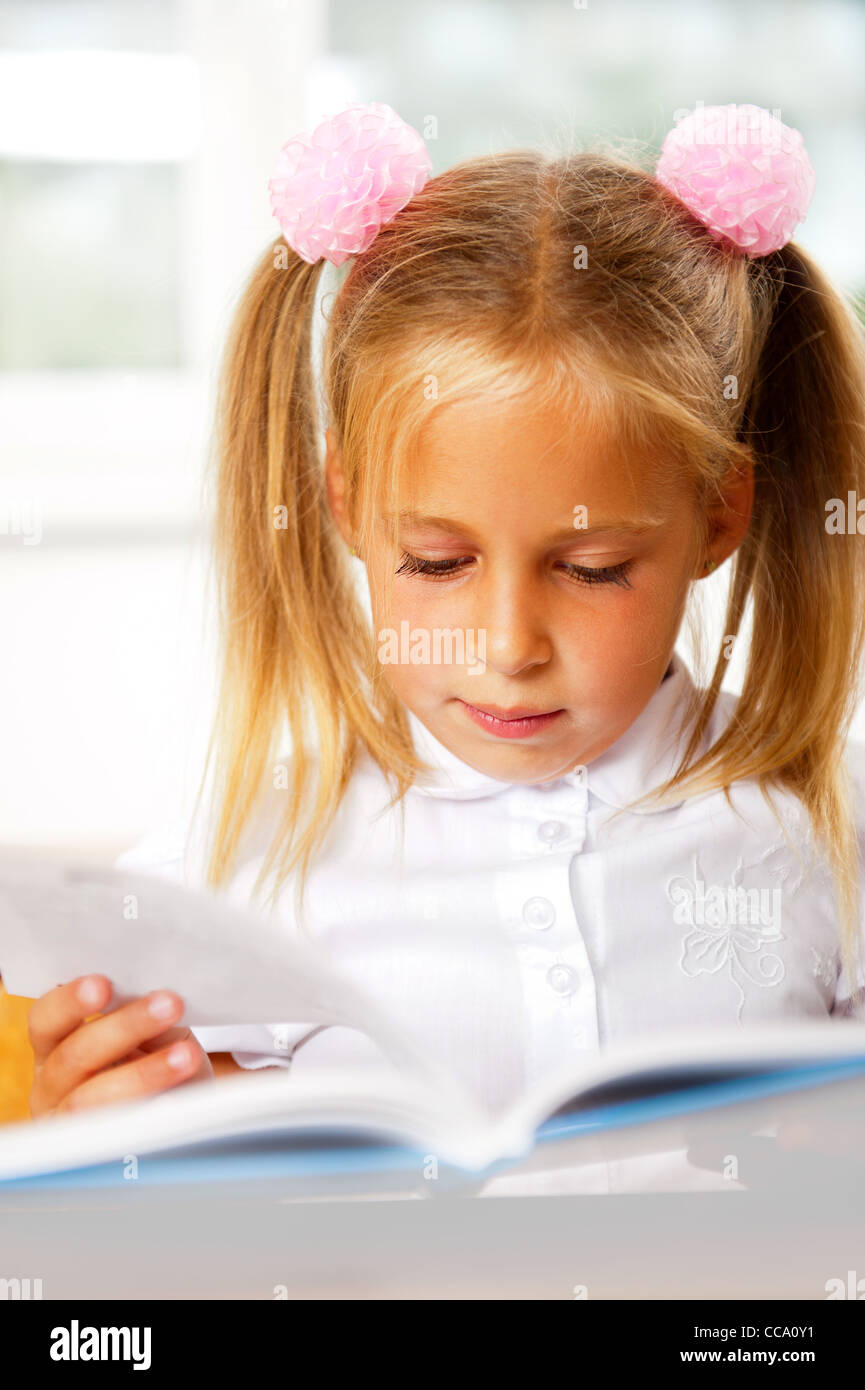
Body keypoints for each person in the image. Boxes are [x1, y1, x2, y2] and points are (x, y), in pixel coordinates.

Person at [28, 104, 865, 1177]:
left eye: (592, 567)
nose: (507, 644)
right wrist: (91, 1143)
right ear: (343, 504)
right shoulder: (227, 861)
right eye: (435, 563)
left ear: (716, 514)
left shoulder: (825, 830)